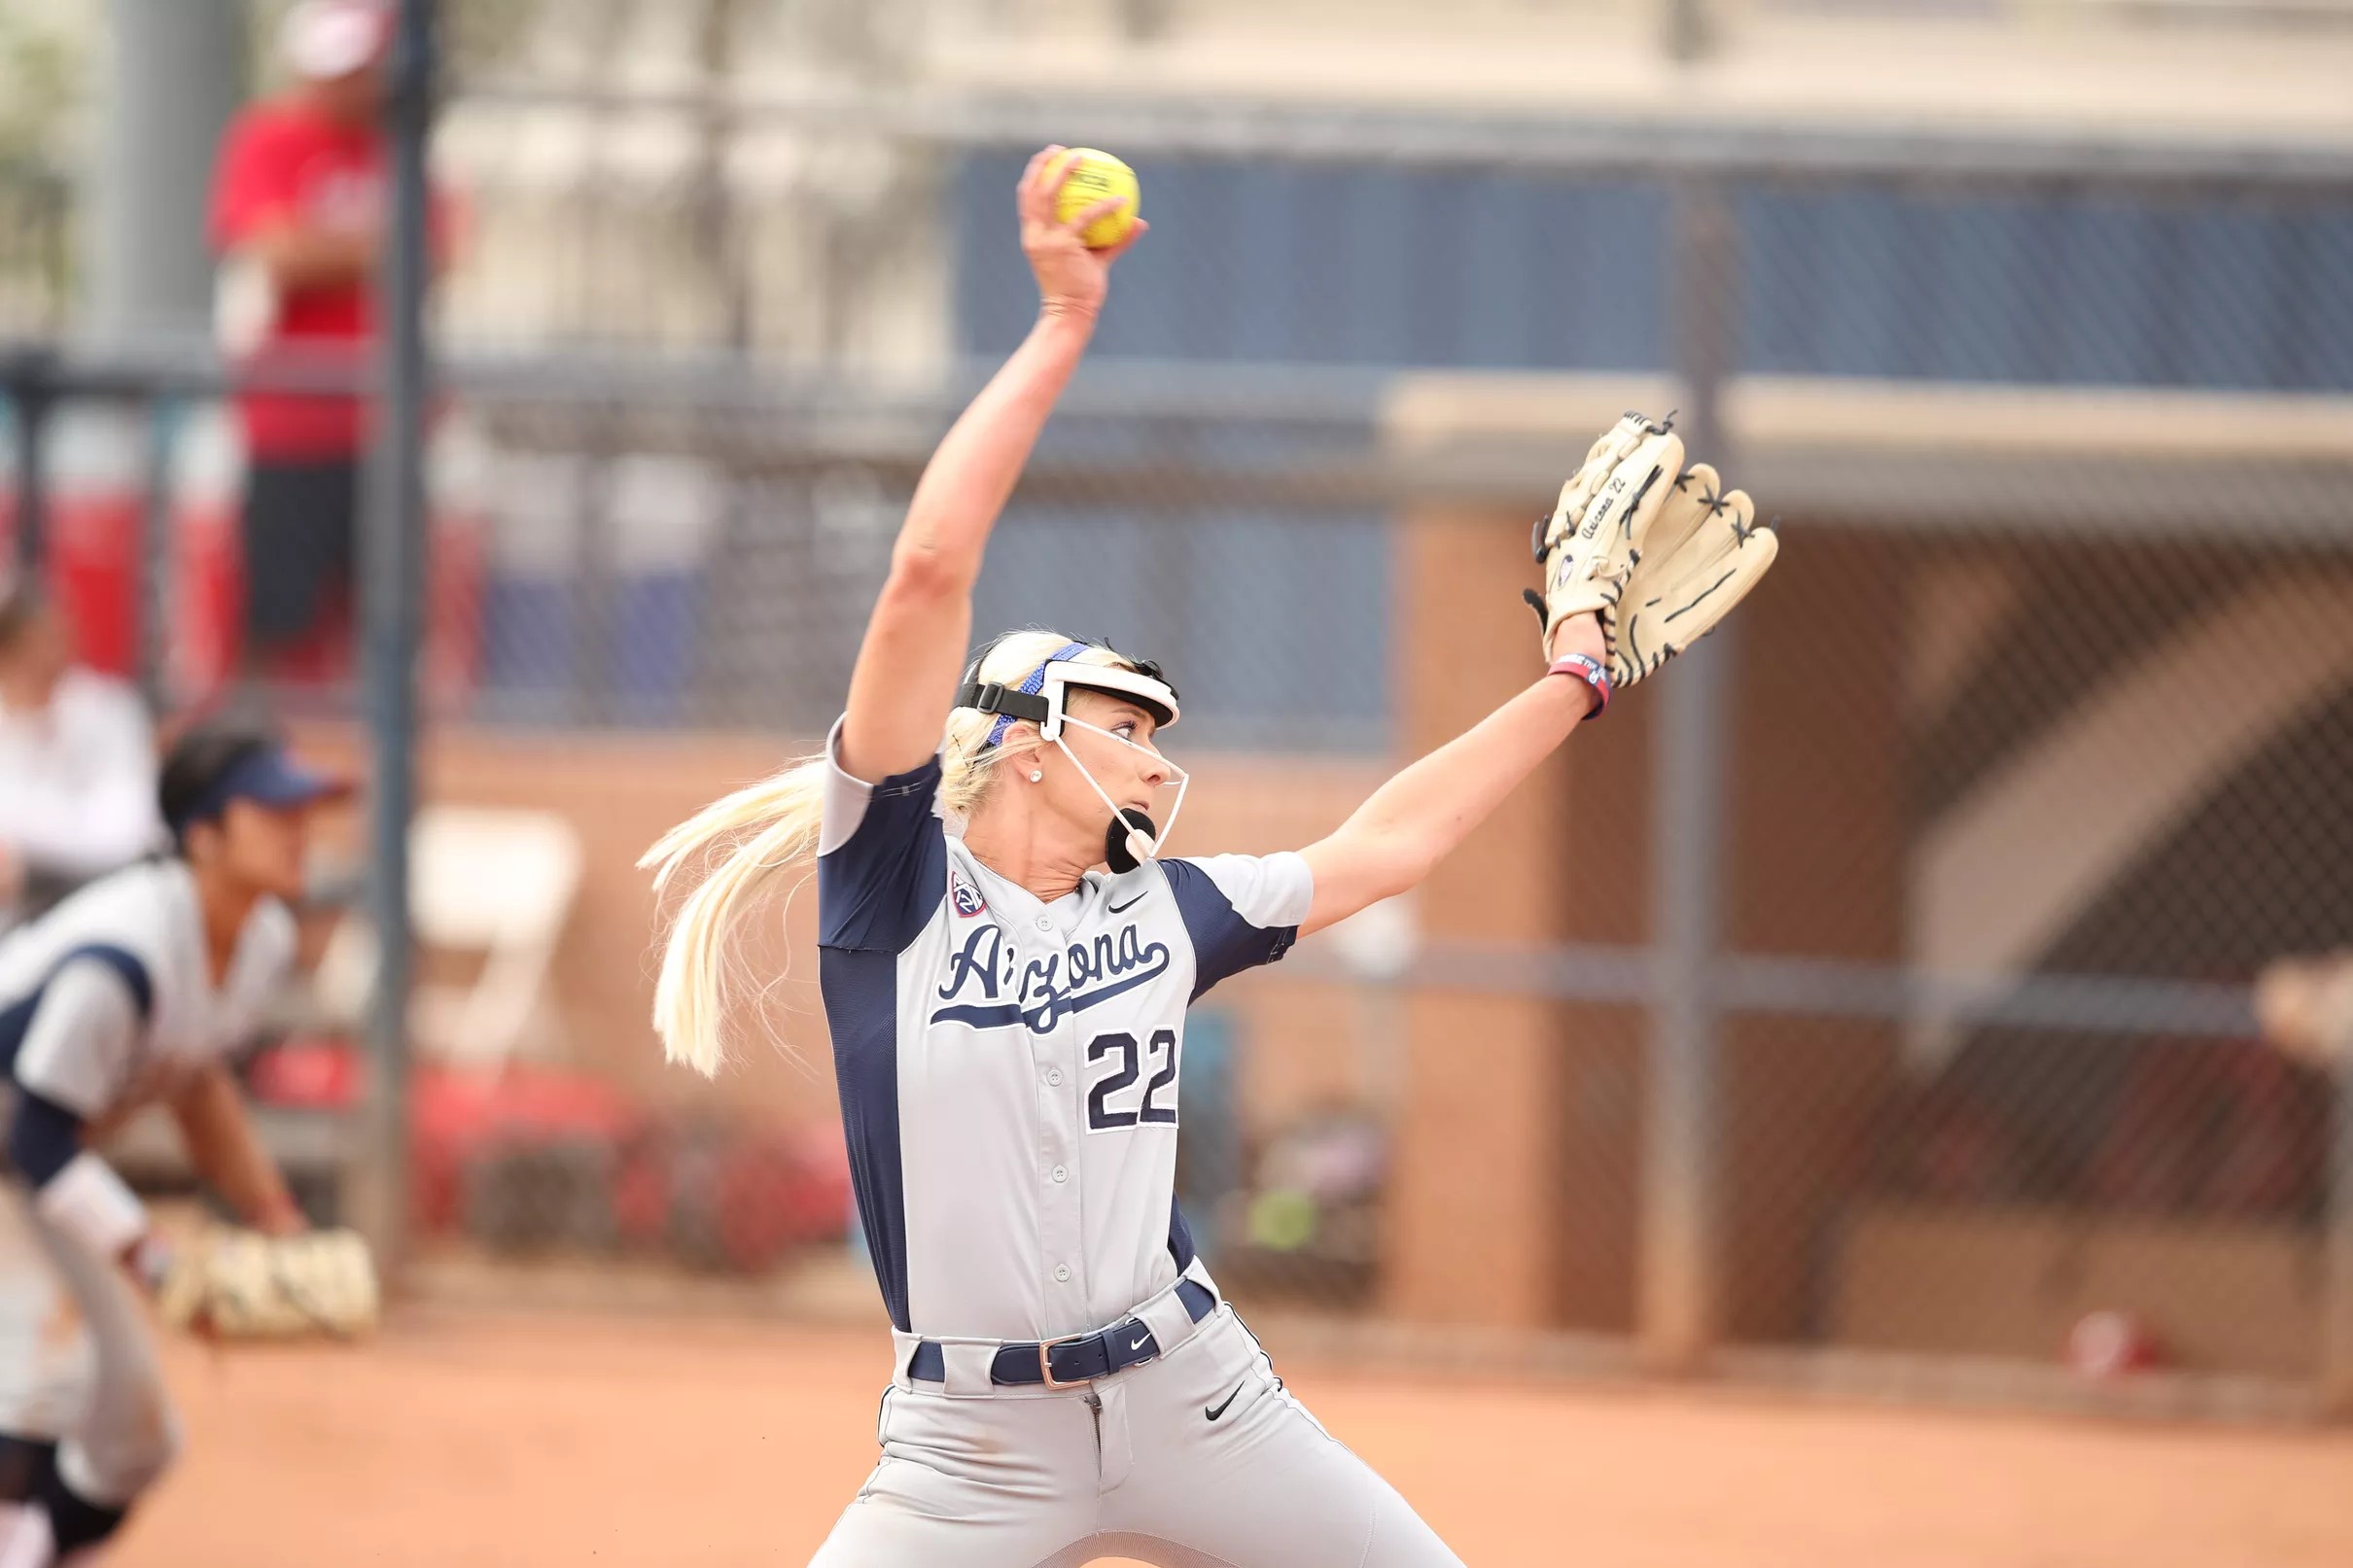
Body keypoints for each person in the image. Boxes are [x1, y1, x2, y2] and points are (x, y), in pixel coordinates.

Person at [643, 148, 1774, 1567]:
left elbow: (1390, 841)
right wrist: (1062, 326)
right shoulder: (890, 888)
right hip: (969, 1452)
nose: (1158, 758)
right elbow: (928, 570)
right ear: (1028, 740)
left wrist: (1575, 674)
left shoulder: (1174, 910)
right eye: (1125, 726)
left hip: (1201, 1399)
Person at [0, 722, 346, 1566]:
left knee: (134, 1437)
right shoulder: (121, 955)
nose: (298, 829)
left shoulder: (256, 938)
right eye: (270, 812)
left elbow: (197, 1083)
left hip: (28, 1176)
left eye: (301, 811)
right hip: (25, 1161)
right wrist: (156, 1262)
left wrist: (274, 1216)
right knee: (48, 1379)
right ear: (202, 837)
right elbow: (38, 1134)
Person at [206, 0, 410, 681]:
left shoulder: (401, 145)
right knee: (278, 619)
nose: (343, 86)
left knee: (383, 620)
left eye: (358, 69)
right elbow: (273, 252)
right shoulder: (266, 137)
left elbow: (436, 249)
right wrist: (376, 246)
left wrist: (325, 247)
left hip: (384, 426)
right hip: (288, 424)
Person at [0, 586, 163, 932]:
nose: (53, 651)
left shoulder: (108, 710)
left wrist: (20, 850)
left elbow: (127, 834)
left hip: (102, 912)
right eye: (34, 641)